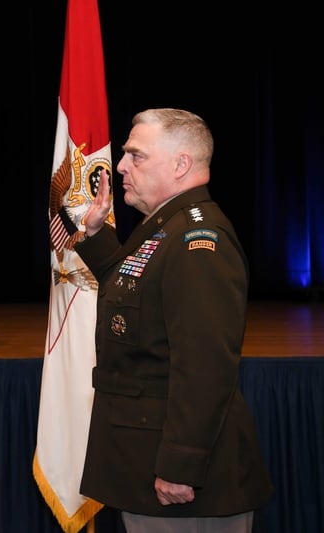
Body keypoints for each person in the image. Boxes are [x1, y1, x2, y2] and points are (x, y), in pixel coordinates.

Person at [75, 108, 273, 532]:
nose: (122, 166)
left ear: (181, 164)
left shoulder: (197, 242)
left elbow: (205, 367)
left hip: (183, 487)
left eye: (136, 155)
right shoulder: (166, 228)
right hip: (146, 461)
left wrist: (182, 464)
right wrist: (96, 236)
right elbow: (135, 295)